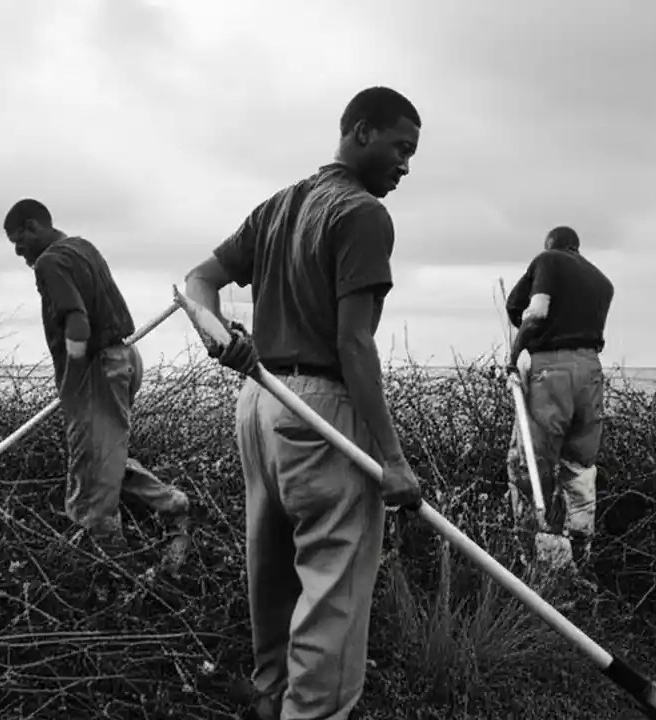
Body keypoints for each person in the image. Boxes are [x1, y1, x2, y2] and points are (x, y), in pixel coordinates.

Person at [183, 86, 425, 720]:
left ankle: (270, 697)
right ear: (361, 131)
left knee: (271, 569)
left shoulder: (280, 205)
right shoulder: (364, 214)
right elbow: (354, 343)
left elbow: (198, 281)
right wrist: (394, 459)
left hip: (260, 403)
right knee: (333, 588)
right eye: (401, 147)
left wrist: (219, 336)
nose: (405, 165)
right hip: (320, 410)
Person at [2, 199, 190, 558]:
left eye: (17, 241)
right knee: (104, 454)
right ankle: (171, 505)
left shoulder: (49, 261)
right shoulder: (84, 247)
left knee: (93, 473)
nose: (18, 251)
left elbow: (77, 323)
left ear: (32, 226)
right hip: (124, 358)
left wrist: (73, 380)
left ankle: (111, 562)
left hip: (97, 368)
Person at [504, 226, 614, 569]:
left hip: (552, 369)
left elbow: (534, 311)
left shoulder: (549, 260)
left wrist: (514, 355)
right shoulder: (602, 280)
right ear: (578, 248)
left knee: (530, 467)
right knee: (580, 467)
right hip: (591, 370)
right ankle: (580, 558)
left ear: (552, 245)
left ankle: (535, 558)